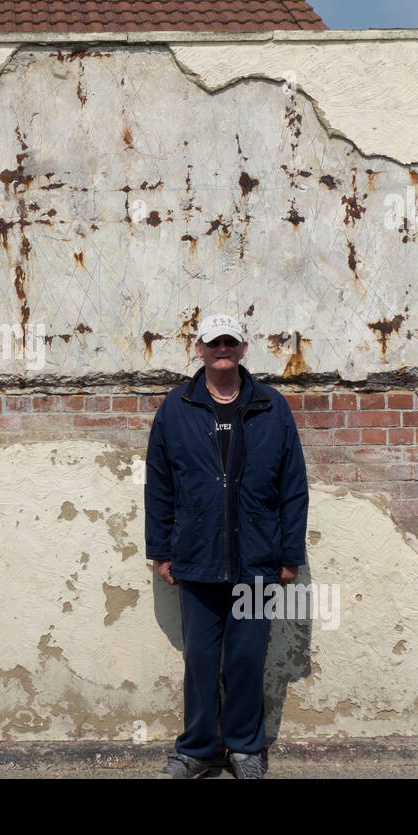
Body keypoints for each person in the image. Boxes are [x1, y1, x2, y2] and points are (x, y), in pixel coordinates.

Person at [144, 313, 308, 779]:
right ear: (199, 349)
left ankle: (245, 749)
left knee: (246, 657)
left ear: (242, 348)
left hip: (258, 559)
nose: (221, 349)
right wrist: (161, 550)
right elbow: (159, 484)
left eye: (229, 342)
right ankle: (195, 751)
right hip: (196, 557)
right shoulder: (177, 409)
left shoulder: (271, 407)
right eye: (213, 342)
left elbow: (293, 486)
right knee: (198, 658)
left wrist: (289, 555)